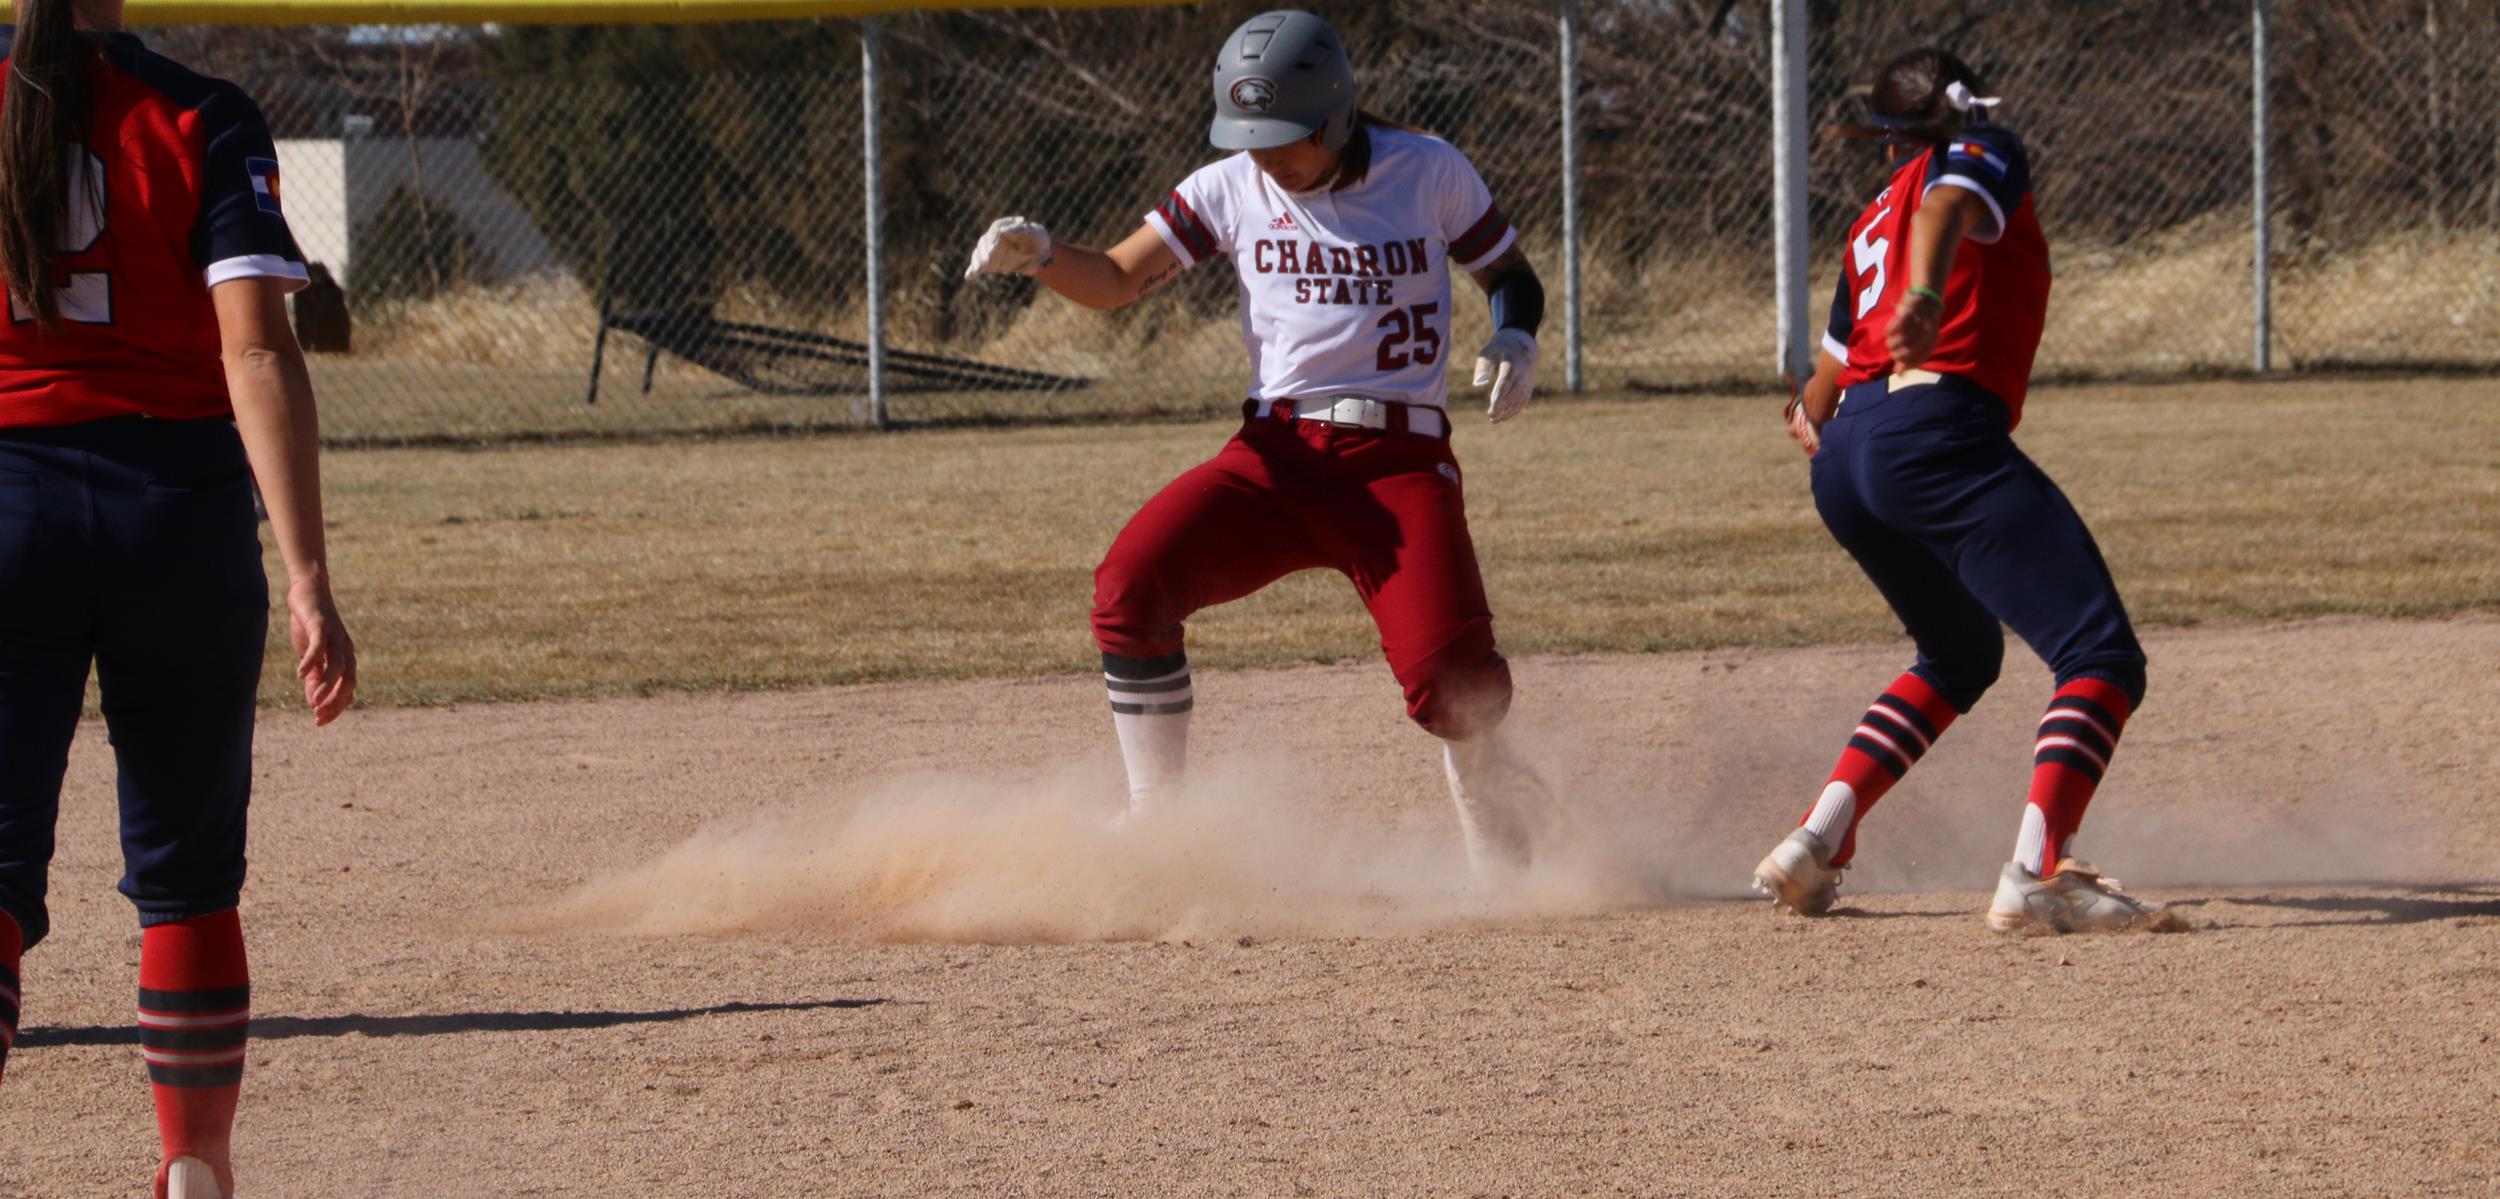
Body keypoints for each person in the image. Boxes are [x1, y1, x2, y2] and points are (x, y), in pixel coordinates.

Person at [964, 9, 1552, 875]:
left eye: (1282, 137)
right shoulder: (1231, 186)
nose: (1264, 155)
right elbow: (1121, 278)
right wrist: (1045, 254)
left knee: (1453, 684)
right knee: (1131, 582)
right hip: (1276, 459)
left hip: (1399, 466)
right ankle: (1158, 823)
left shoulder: (1426, 169)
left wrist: (1516, 335)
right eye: (1248, 135)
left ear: (1336, 117)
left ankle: (1503, 825)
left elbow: (1508, 271)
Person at [0, 0, 357, 1194]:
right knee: (188, 876)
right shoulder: (200, 112)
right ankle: (191, 1161)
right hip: (180, 513)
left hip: (8, 506)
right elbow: (256, 349)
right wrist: (309, 577)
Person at [1752, 47, 2158, 934]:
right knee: (2101, 655)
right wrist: (1930, 294)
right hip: (1929, 431)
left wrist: (1815, 409)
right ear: (1969, 112)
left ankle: (1818, 840)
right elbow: (1948, 202)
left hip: (1847, 455)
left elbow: (1818, 384)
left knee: (1961, 654)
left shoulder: (1871, 218)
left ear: (1888, 135)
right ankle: (2037, 873)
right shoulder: (1979, 156)